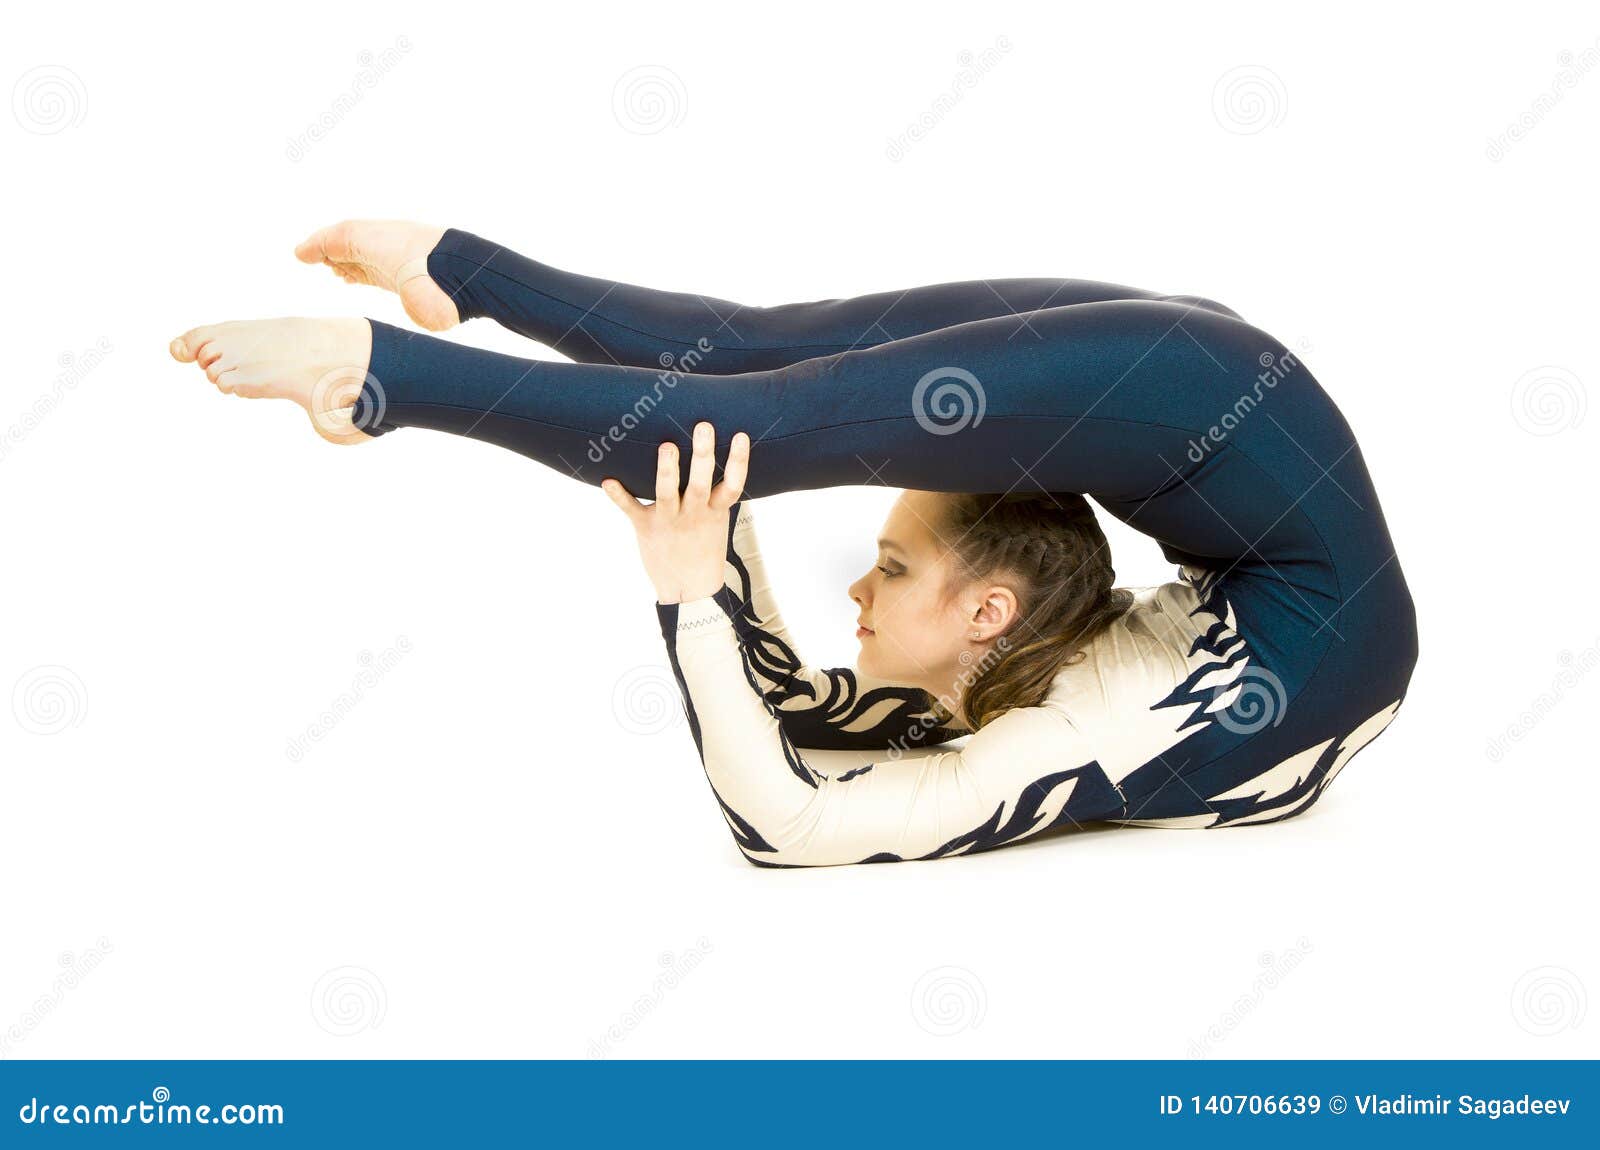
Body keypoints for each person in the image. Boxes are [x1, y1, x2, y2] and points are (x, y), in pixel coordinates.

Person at [169, 220, 1419, 867]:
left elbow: (794, 734)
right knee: (764, 404)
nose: (859, 595)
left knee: (768, 361)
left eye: (884, 566)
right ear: (990, 613)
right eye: (891, 564)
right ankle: (384, 368)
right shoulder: (1064, 734)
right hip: (1203, 398)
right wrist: (696, 582)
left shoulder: (1015, 711)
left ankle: (449, 275)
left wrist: (697, 583)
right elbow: (791, 830)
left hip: (1209, 406)